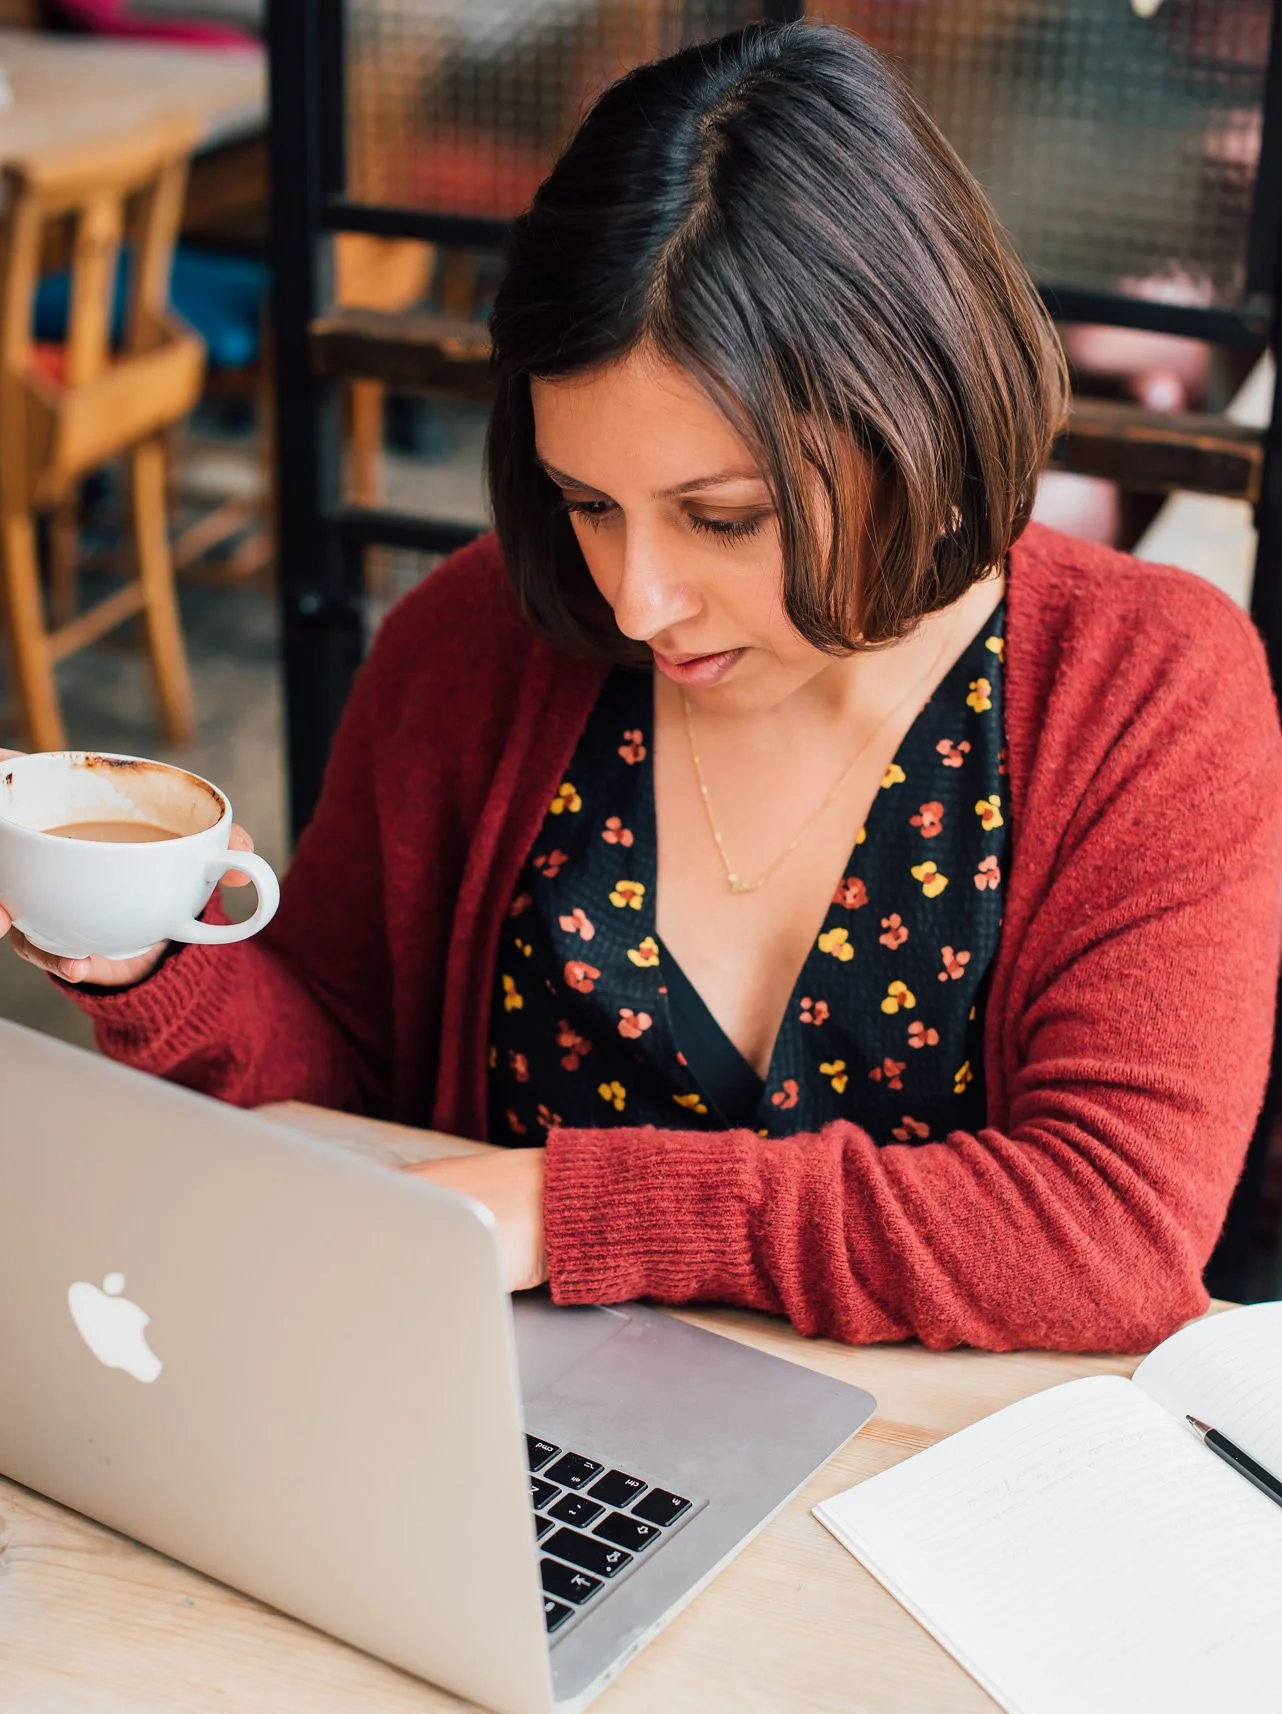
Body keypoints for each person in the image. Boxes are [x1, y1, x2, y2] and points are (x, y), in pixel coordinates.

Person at [5, 22, 1281, 1352]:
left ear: (917, 419)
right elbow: (340, 1078)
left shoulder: (1141, 683)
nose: (631, 600)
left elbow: (1110, 1237)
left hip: (915, 1496)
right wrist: (152, 955)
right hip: (509, 1447)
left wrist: (571, 1207)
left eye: (721, 518)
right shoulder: (478, 637)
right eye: (584, 504)